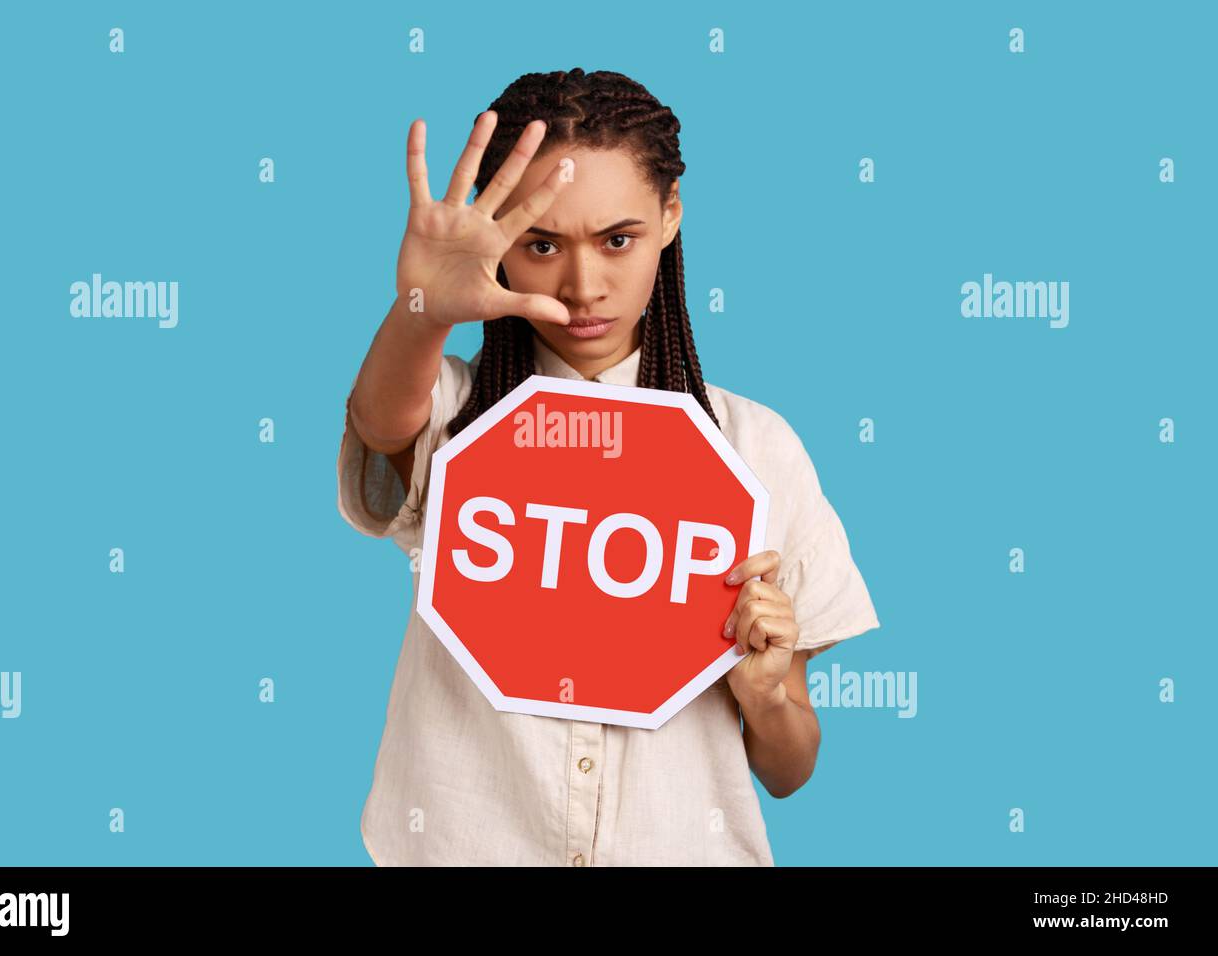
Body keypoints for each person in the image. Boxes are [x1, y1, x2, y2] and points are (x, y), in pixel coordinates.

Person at [338, 68, 880, 866]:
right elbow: (381, 427)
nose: (584, 286)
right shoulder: (454, 412)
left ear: (670, 216)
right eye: (542, 244)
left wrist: (766, 699)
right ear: (500, 244)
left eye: (617, 239)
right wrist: (421, 311)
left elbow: (789, 768)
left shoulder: (756, 449)